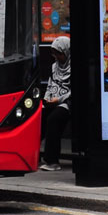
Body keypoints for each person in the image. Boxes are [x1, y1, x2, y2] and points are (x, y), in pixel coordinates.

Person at [39, 36, 71, 170]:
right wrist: (47, 99)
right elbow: (51, 85)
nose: (56, 57)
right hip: (54, 100)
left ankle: (52, 161)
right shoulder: (54, 67)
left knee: (53, 119)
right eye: (54, 54)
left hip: (67, 103)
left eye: (59, 54)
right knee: (38, 117)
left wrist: (59, 100)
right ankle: (32, 154)